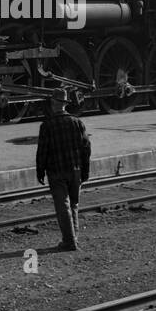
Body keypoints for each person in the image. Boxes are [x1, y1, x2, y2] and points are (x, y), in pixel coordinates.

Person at [35, 88, 91, 251]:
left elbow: (42, 152)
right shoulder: (77, 123)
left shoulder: (47, 126)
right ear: (65, 105)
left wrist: (40, 171)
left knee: (63, 206)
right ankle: (73, 239)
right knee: (73, 204)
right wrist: (85, 171)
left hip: (56, 171)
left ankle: (69, 241)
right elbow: (86, 149)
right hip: (75, 170)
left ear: (53, 103)